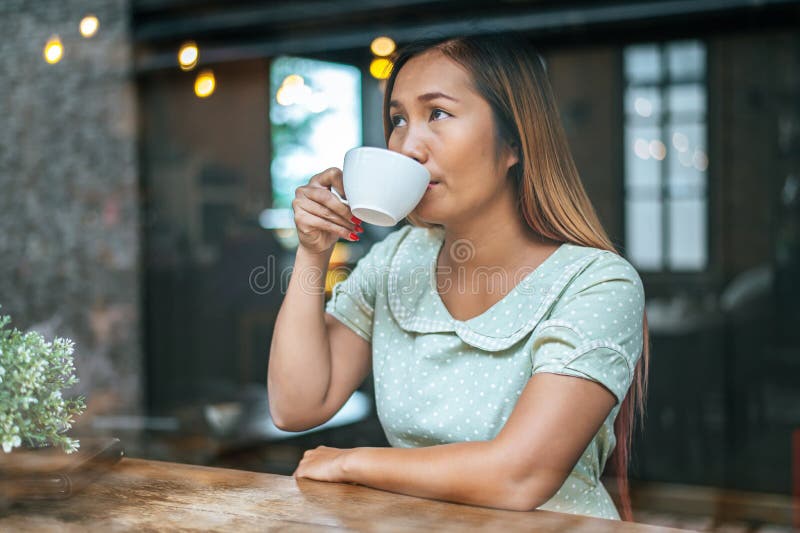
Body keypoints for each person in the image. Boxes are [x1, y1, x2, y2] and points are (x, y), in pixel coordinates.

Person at [268, 32, 649, 521]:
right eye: (398, 120)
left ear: (514, 142)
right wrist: (313, 252)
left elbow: (519, 475)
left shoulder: (598, 284)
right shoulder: (397, 260)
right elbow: (297, 406)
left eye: (438, 114)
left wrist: (349, 463)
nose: (407, 146)